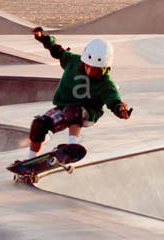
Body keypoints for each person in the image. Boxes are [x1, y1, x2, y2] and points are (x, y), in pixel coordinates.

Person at [22, 28, 132, 157]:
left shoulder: (106, 84)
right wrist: (42, 37)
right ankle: (30, 161)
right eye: (87, 66)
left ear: (104, 68)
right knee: (39, 125)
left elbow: (115, 102)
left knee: (73, 110)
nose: (90, 71)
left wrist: (121, 111)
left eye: (95, 69)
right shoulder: (73, 61)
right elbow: (57, 50)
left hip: (89, 113)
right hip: (63, 109)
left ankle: (72, 146)